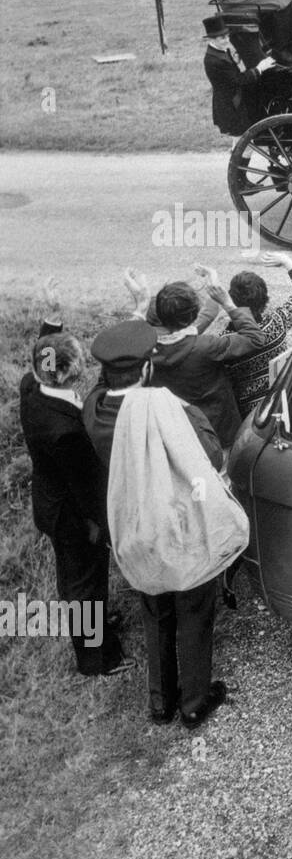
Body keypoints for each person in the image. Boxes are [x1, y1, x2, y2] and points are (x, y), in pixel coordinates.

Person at [83, 321, 227, 728]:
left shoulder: (93, 410)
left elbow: (101, 384)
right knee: (193, 610)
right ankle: (195, 701)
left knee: (155, 609)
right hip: (176, 525)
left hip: (130, 526)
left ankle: (160, 702)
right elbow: (212, 458)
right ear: (148, 369)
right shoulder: (170, 410)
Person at [18, 281, 134, 678]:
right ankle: (98, 659)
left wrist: (52, 317)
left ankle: (94, 631)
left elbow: (44, 356)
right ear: (72, 372)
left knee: (77, 579)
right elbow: (87, 487)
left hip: (52, 503)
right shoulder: (65, 430)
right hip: (74, 516)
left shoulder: (31, 388)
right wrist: (102, 524)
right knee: (85, 584)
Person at [148, 272, 265, 451]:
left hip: (181, 432)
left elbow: (203, 319)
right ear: (193, 314)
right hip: (220, 431)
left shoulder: (145, 349)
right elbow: (255, 338)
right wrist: (228, 303)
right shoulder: (206, 346)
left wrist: (140, 306)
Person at [209, 251, 292, 418]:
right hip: (284, 400)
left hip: (251, 415)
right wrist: (287, 262)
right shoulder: (278, 322)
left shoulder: (225, 341)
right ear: (265, 300)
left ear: (231, 301)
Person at [202, 14, 276, 138]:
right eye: (222, 38)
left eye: (227, 36)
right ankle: (238, 158)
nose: (227, 40)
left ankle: (237, 156)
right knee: (244, 140)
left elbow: (229, 74)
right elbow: (239, 80)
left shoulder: (221, 51)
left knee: (241, 139)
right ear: (211, 39)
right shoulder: (214, 60)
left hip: (234, 99)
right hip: (231, 104)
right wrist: (260, 68)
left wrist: (235, 62)